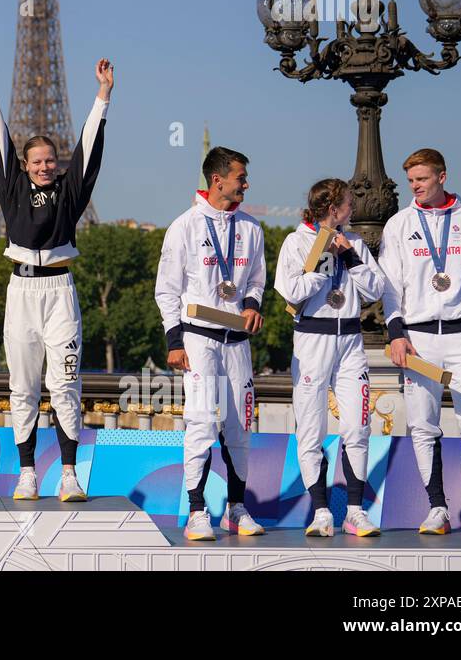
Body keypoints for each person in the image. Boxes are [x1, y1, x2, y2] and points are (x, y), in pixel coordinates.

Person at [0, 54, 113, 502]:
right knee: (23, 387)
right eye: (36, 161)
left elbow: (90, 151)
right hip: (21, 291)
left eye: (50, 161)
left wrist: (103, 96)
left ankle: (69, 474)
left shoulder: (69, 192)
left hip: (59, 290)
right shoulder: (12, 186)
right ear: (24, 164)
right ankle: (27, 473)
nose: (44, 167)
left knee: (66, 384)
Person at [379, 148, 461, 537]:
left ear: (442, 176)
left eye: (422, 179)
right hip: (418, 338)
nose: (415, 186)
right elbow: (390, 286)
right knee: (422, 424)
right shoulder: (398, 224)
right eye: (411, 181)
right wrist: (396, 335)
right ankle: (437, 508)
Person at [154, 146, 266, 541]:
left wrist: (252, 304)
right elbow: (166, 291)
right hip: (199, 338)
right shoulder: (184, 226)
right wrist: (174, 341)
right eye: (240, 178)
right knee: (201, 422)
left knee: (240, 427)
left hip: (238, 341)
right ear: (218, 180)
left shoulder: (251, 228)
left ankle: (236, 508)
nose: (246, 185)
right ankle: (197, 511)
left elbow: (256, 279)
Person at [276, 179, 385, 537]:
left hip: (351, 340)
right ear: (333, 208)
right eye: (349, 203)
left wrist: (350, 257)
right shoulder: (296, 242)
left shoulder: (354, 242)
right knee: (311, 429)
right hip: (312, 339)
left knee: (357, 426)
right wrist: (325, 257)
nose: (354, 208)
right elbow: (292, 292)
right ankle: (321, 512)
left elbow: (375, 289)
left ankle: (355, 511)